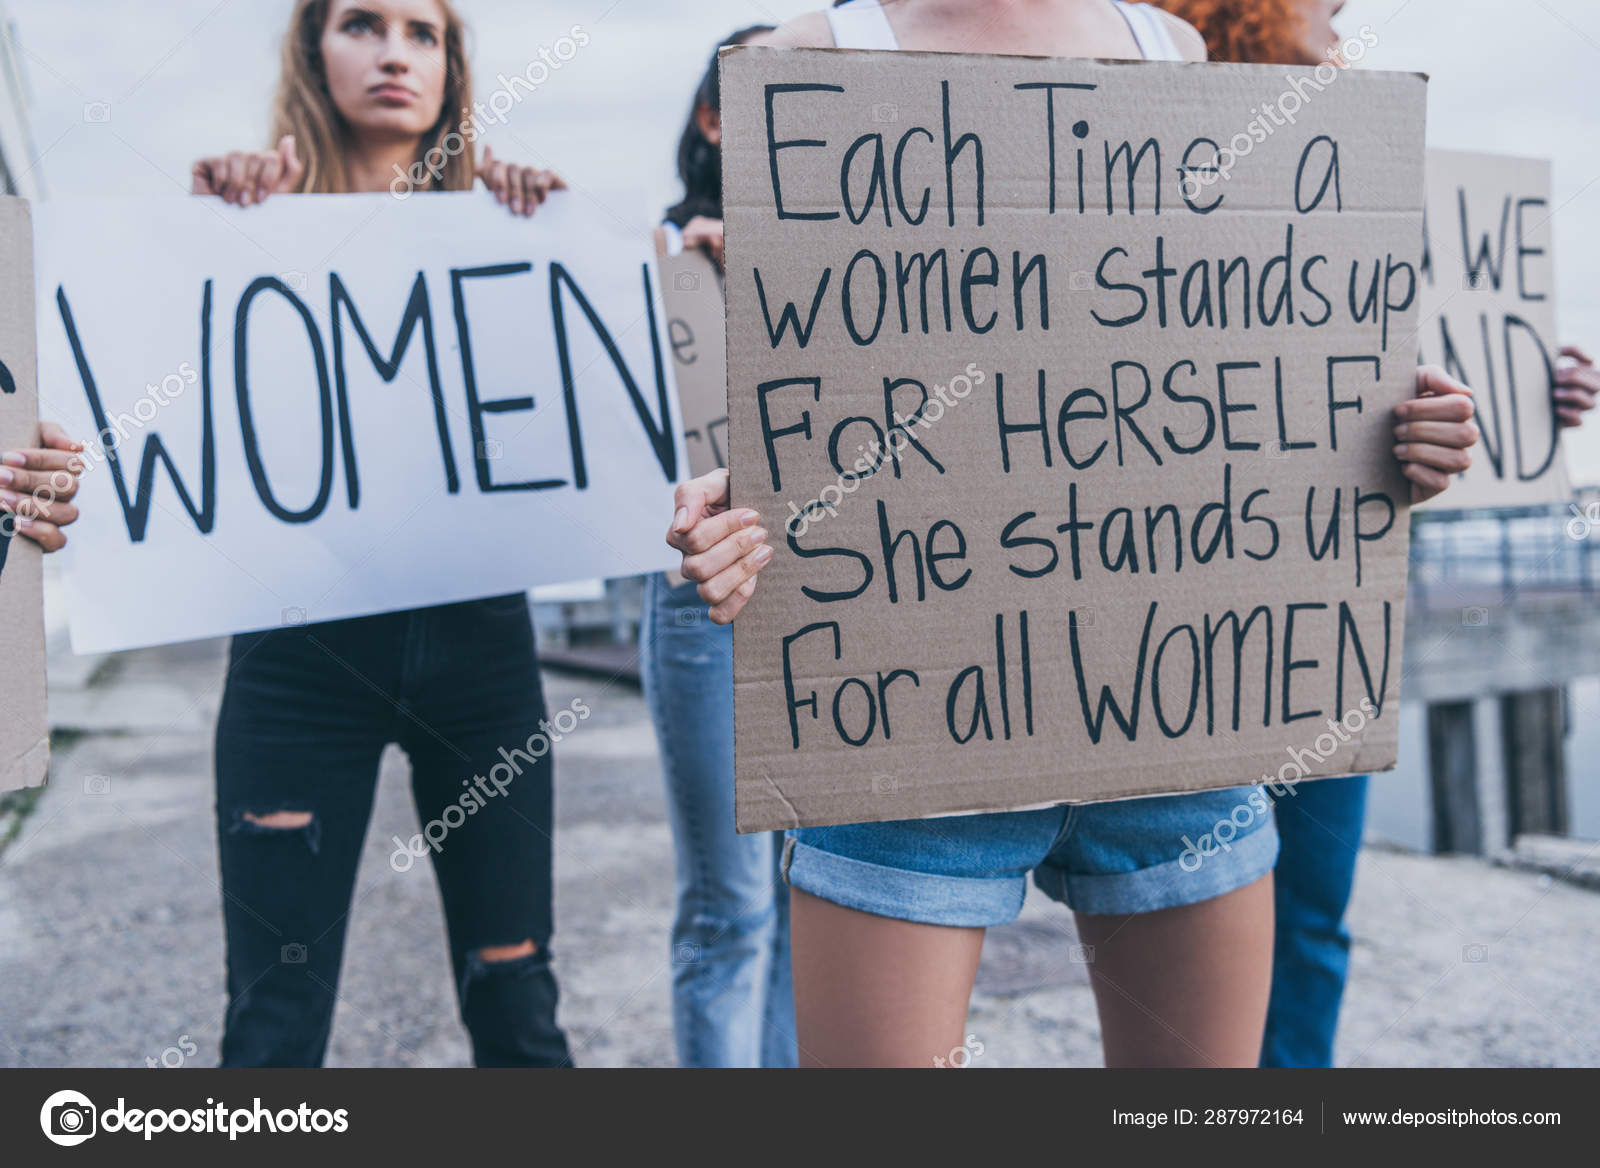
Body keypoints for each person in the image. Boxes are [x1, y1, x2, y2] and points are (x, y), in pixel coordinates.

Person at [668, 0, 1482, 1068]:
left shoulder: (1171, 51)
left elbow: (1228, 363)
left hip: (1181, 726)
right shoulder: (805, 61)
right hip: (903, 732)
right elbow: (805, 387)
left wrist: (1391, 448)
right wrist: (727, 524)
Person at [1151, 0, 1598, 1070]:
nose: (1344, 5)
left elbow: (1411, 360)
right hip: (1170, 614)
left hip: (1330, 611)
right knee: (1178, 920)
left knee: (1309, 914)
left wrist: (1530, 391)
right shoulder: (1138, 155)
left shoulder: (1359, 159)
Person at [191, 0, 571, 1067]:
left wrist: (552, 232)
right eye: (363, 22)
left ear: (452, 65)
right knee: (271, 1020)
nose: (396, 52)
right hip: (295, 662)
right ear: (313, 49)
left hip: (481, 655)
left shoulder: (516, 230)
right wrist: (211, 217)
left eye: (424, 30)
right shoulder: (230, 223)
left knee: (516, 997)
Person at [641, 24, 798, 1069]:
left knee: (809, 904)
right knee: (732, 906)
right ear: (710, 118)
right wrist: (709, 274)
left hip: (832, 593)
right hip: (707, 601)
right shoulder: (662, 257)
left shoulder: (860, 251)